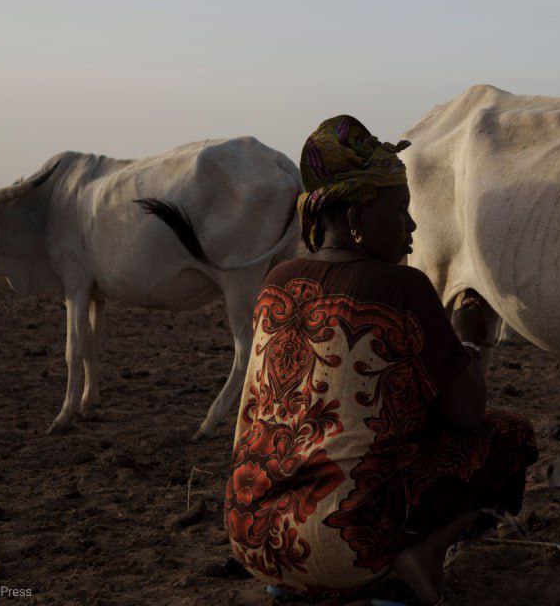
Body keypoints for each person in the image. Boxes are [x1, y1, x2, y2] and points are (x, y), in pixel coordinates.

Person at [224, 115, 538, 605]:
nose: (412, 226)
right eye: (399, 210)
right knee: (510, 438)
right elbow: (468, 414)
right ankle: (418, 559)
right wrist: (472, 344)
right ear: (357, 218)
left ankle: (292, 583)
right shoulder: (401, 286)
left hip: (253, 536)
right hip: (346, 545)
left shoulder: (277, 279)